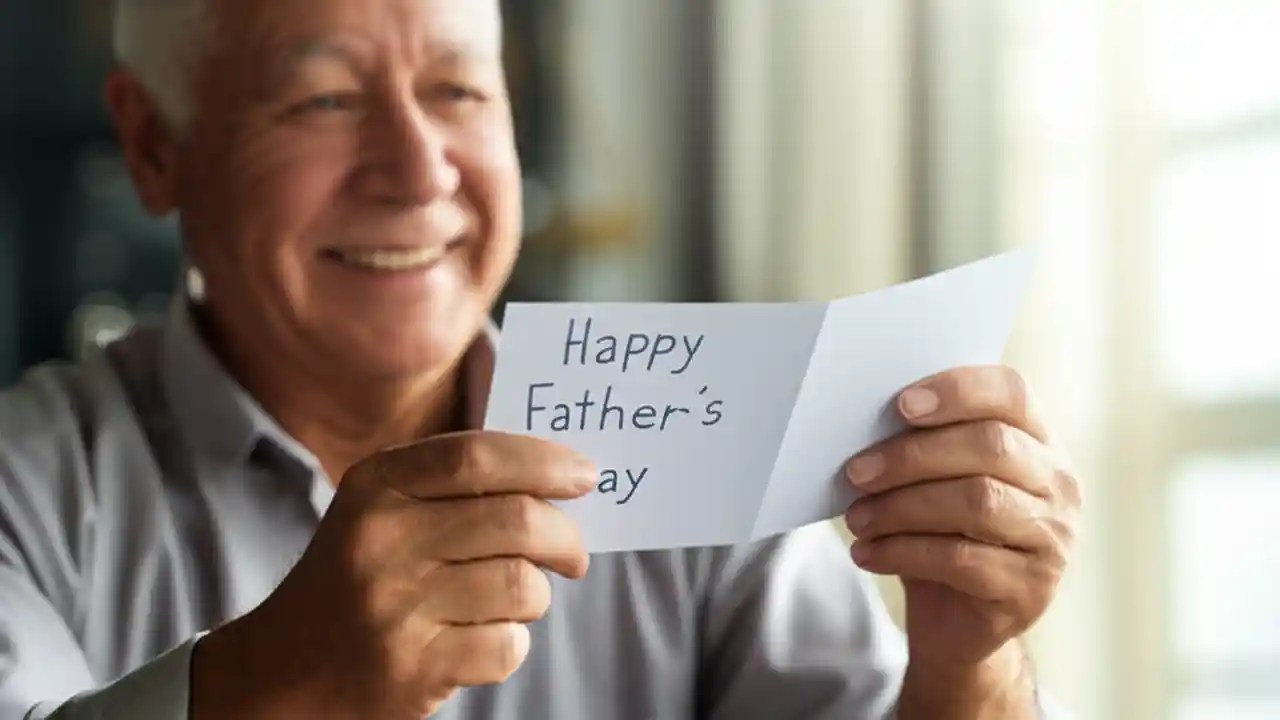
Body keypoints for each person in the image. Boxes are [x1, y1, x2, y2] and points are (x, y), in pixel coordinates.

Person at [0, 1, 1081, 718]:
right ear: (154, 145)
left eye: (460, 92)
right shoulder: (27, 494)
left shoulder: (704, 431)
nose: (419, 172)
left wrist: (967, 663)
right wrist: (274, 686)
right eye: (323, 99)